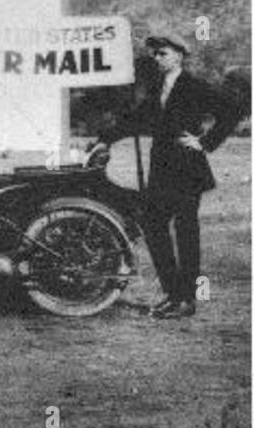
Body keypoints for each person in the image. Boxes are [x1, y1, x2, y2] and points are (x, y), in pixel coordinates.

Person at [89, 31, 242, 320]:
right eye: (155, 54)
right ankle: (174, 294)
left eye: (164, 53)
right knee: (154, 224)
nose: (158, 59)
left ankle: (186, 300)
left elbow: (233, 110)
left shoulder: (194, 86)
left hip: (188, 169)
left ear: (180, 55)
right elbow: (135, 119)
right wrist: (104, 140)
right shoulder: (159, 87)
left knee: (186, 232)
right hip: (162, 170)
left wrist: (205, 142)